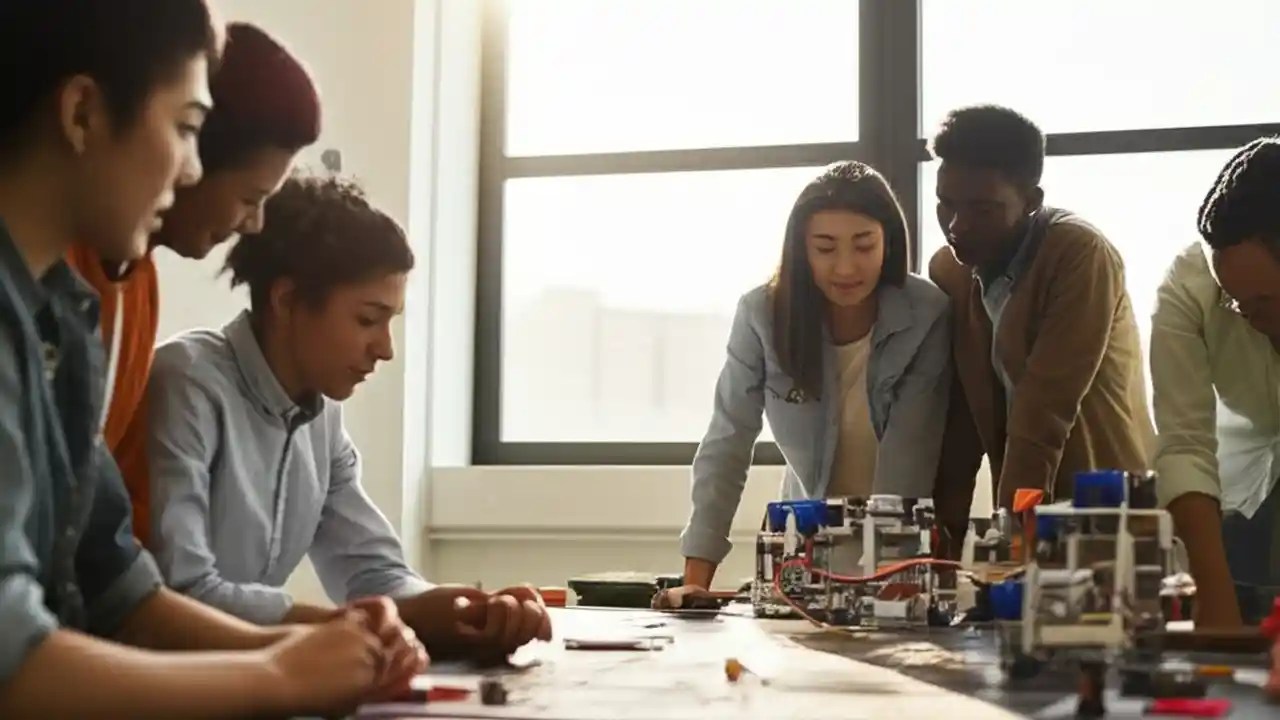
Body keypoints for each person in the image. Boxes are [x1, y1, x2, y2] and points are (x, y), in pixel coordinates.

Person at [0, 2, 423, 718]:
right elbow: (11, 656)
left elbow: (120, 591)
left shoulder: (66, 318)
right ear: (81, 114)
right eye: (189, 126)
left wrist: (296, 651)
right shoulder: (165, 364)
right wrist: (280, 678)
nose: (195, 166)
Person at [147, 174, 554, 659]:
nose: (385, 349)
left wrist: (470, 609)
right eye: (367, 319)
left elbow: (374, 576)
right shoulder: (186, 383)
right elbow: (181, 591)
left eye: (390, 322)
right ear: (286, 300)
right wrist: (352, 626)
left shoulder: (321, 418)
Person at [66, 21, 321, 547]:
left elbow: (108, 552)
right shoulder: (58, 274)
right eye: (250, 197)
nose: (254, 224)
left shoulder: (139, 285)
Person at [661, 161, 951, 603]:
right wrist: (695, 582)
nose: (846, 267)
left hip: (899, 564)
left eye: (864, 244)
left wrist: (888, 591)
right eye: (825, 248)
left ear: (888, 242)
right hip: (802, 565)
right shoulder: (761, 316)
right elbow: (728, 440)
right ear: (801, 250)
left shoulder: (926, 313)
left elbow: (909, 459)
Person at [927, 105, 1154, 555]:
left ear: (1032, 202)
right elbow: (961, 423)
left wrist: (1012, 537)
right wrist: (939, 546)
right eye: (946, 204)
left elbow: (1043, 410)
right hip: (1024, 512)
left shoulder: (1078, 253)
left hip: (1104, 518)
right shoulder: (949, 271)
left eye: (982, 209)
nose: (957, 226)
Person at [1152, 137, 1280, 627]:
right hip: (1239, 482)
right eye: (1235, 302)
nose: (1248, 319)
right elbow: (1185, 444)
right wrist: (1216, 602)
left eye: (1266, 302)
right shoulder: (1189, 287)